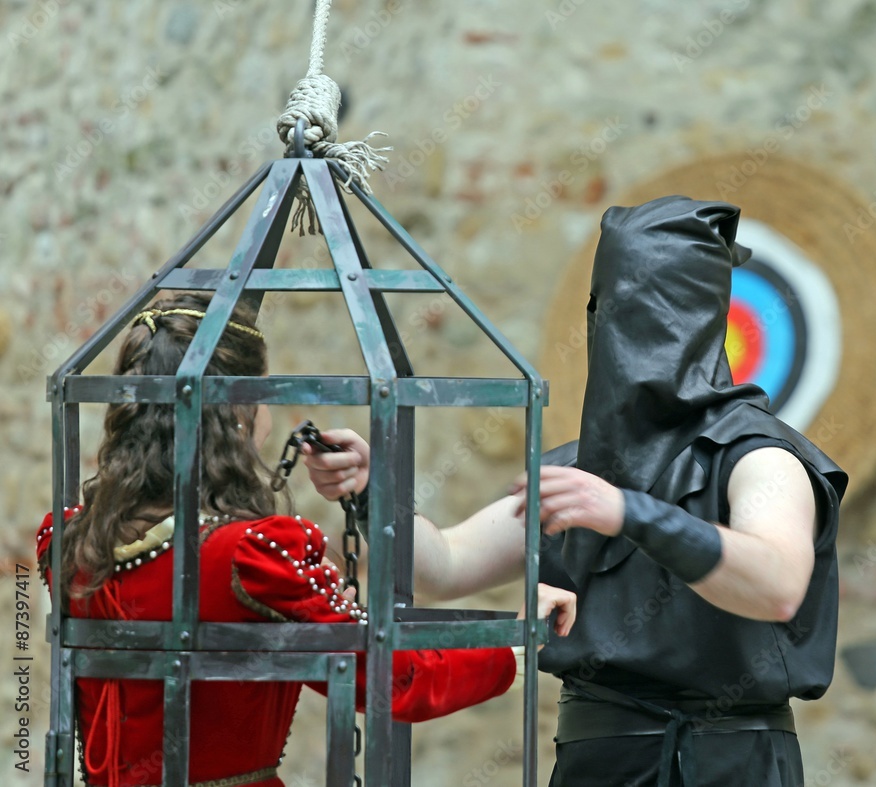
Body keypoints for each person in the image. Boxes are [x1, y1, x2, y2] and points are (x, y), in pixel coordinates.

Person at [305, 196, 848, 786]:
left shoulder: (762, 459)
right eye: (613, 308)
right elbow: (447, 566)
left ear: (698, 315)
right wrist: (371, 492)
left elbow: (776, 587)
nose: (627, 331)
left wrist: (626, 511)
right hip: (597, 765)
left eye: (655, 308)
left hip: (729, 768)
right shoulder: (578, 472)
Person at [37, 291, 575, 787]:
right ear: (240, 412)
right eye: (264, 394)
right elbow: (397, 678)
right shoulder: (250, 554)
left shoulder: (63, 540)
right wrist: (516, 644)